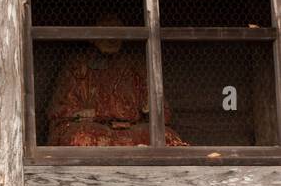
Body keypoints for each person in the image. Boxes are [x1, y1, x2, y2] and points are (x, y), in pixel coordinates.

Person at [47, 15, 186, 147]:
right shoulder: (78, 66)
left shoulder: (135, 65)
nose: (112, 38)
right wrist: (80, 113)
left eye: (117, 32)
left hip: (132, 129)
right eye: (106, 32)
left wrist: (150, 107)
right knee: (81, 137)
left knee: (166, 136)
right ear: (92, 37)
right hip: (95, 128)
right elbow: (61, 108)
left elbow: (162, 112)